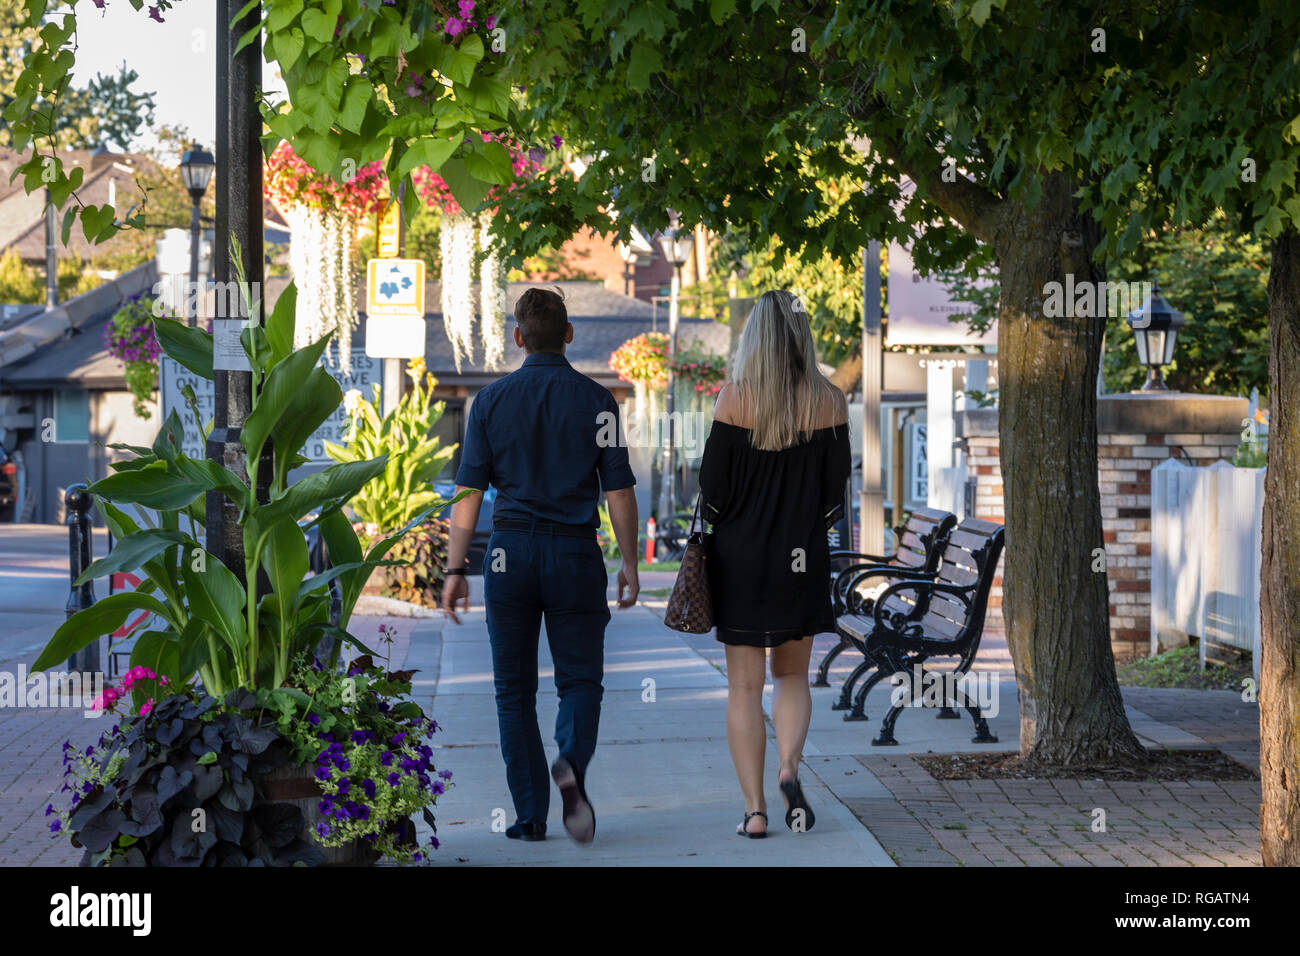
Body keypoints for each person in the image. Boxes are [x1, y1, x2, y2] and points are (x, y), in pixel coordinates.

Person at [441, 287, 641, 844]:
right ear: (569, 334)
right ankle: (571, 759)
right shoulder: (600, 402)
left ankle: (530, 817)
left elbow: (469, 492)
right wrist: (628, 562)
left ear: (518, 337)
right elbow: (619, 493)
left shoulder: (490, 402)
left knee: (513, 691)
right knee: (580, 680)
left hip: (509, 556)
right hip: (576, 554)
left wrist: (456, 570)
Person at [697, 289, 851, 838]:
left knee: (744, 687)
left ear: (754, 336)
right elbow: (835, 496)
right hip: (801, 557)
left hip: (740, 558)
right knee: (791, 675)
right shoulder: (831, 401)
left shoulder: (734, 398)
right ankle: (789, 767)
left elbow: (711, 491)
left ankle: (755, 811)